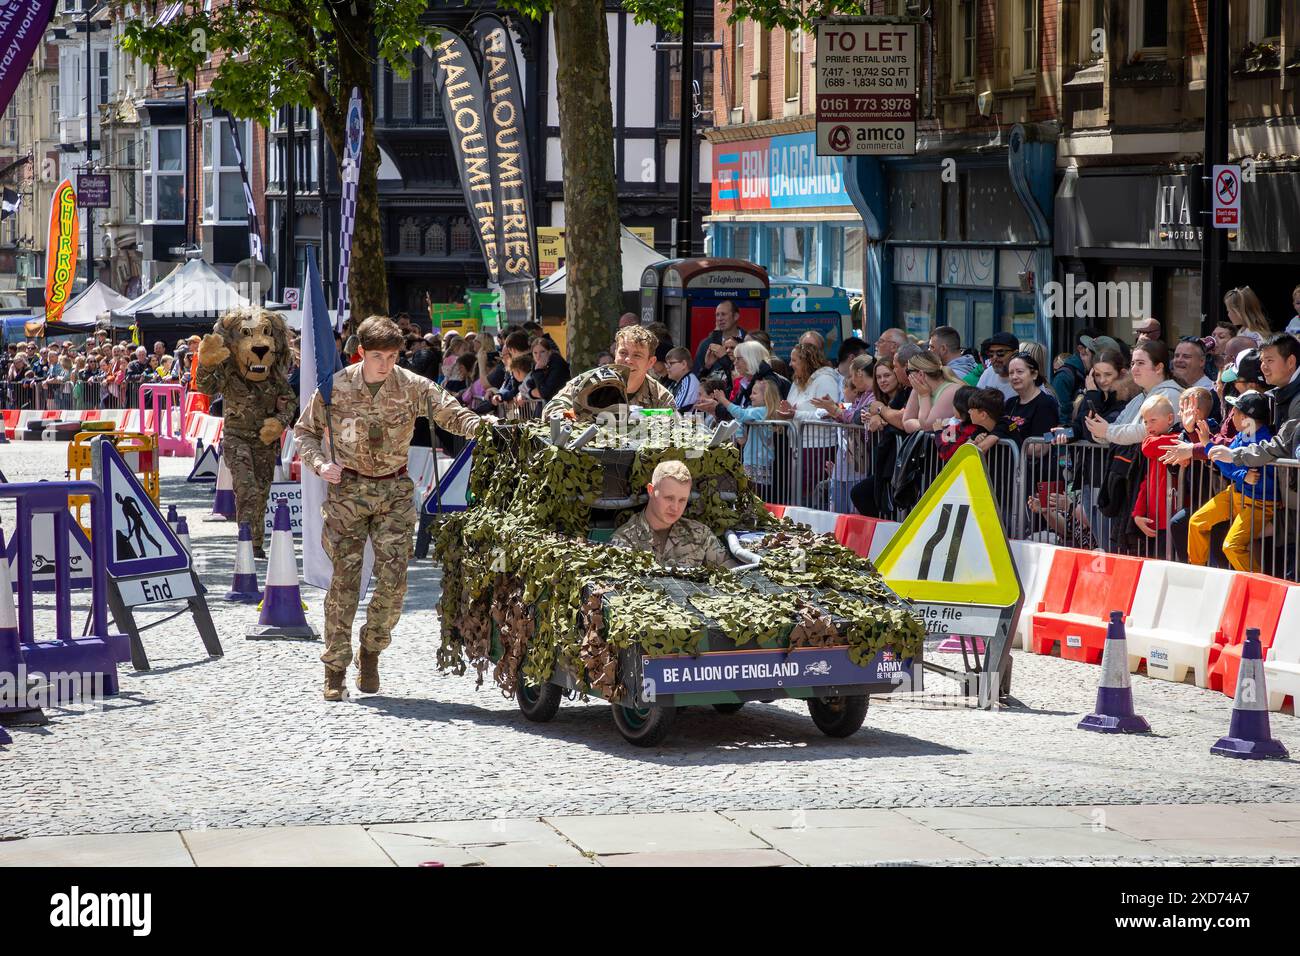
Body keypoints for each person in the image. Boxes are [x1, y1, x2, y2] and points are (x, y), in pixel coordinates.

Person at [295, 316, 490, 701]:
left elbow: (451, 413)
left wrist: (483, 427)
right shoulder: (335, 387)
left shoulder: (412, 386)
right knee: (344, 584)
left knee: (394, 583)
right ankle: (334, 667)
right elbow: (304, 432)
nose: (386, 364)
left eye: (392, 356)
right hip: (347, 492)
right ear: (362, 353)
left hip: (394, 493)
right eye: (378, 356)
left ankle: (371, 650)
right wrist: (319, 464)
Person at [1189, 391, 1277, 571]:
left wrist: (1211, 448)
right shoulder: (1246, 433)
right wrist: (1241, 474)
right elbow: (1226, 463)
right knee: (1196, 522)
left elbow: (1228, 463)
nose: (1231, 416)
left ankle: (1258, 586)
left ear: (1245, 417)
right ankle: (1196, 571)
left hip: (1258, 503)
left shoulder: (1263, 440)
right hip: (1236, 493)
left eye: (1234, 412)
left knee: (1232, 546)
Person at [610, 459, 731, 568]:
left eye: (682, 500)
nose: (675, 507)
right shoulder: (624, 541)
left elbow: (731, 575)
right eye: (669, 498)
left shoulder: (700, 535)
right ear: (651, 490)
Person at [544, 325, 675, 419]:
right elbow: (551, 410)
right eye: (623, 353)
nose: (628, 360)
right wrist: (577, 414)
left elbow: (673, 432)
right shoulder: (589, 381)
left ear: (650, 362)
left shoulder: (661, 398)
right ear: (615, 354)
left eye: (637, 355)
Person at [774, 340, 841, 502]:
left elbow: (828, 412)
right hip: (798, 445)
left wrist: (795, 414)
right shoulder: (797, 381)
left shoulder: (825, 379)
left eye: (794, 360)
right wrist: (787, 411)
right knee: (798, 495)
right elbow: (795, 409)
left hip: (819, 447)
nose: (790, 364)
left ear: (806, 361)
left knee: (812, 497)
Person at [1085, 339, 1184, 448]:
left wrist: (1107, 431)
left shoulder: (1171, 395)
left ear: (1158, 368)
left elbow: (1147, 430)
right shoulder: (1138, 398)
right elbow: (1117, 426)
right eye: (1133, 363)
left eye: (1140, 363)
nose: (1134, 368)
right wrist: (1099, 430)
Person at [979, 351, 1059, 449]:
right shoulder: (1010, 403)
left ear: (1034, 374)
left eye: (1019, 372)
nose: (1014, 377)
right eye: (1011, 373)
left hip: (1035, 463)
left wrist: (1009, 438)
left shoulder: (1046, 403)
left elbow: (1040, 449)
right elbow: (998, 428)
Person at [1130, 394, 1181, 543]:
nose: (1148, 426)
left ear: (1170, 419)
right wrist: (1137, 513)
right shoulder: (1155, 442)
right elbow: (1146, 483)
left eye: (1153, 420)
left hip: (1173, 516)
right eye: (1145, 422)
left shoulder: (1176, 438)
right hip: (1155, 520)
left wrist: (1147, 442)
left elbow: (1149, 446)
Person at [900, 350, 964, 433]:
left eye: (908, 372)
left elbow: (927, 426)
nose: (908, 377)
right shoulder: (918, 389)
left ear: (920, 374)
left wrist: (924, 396)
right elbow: (906, 422)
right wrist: (926, 426)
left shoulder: (952, 390)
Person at [1051, 328, 1104, 422]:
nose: (1100, 356)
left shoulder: (1093, 372)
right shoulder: (1064, 376)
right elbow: (1061, 414)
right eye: (1095, 351)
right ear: (1081, 350)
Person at [938, 386, 1003, 462]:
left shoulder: (1006, 426)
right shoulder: (977, 430)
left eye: (971, 409)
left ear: (983, 415)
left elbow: (947, 453)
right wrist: (974, 442)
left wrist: (938, 432)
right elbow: (962, 453)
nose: (969, 412)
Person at [691, 300, 747, 376]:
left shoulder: (748, 342)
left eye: (723, 314)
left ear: (736, 316)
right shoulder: (707, 344)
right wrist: (707, 367)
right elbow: (696, 377)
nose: (720, 318)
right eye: (717, 315)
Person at [525, 336, 570, 403]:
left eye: (542, 352)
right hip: (550, 403)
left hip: (562, 402)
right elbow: (530, 383)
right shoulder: (537, 365)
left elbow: (544, 392)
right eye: (535, 353)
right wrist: (531, 392)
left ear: (549, 352)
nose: (538, 356)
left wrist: (538, 371)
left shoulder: (557, 363)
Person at [977, 332, 1019, 400]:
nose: (994, 358)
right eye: (991, 354)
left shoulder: (1026, 377)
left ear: (1015, 354)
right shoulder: (988, 373)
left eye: (1000, 353)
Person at [663, 346, 700, 412]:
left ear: (683, 364)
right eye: (666, 363)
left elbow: (675, 410)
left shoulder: (688, 381)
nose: (667, 367)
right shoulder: (675, 382)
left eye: (671, 363)